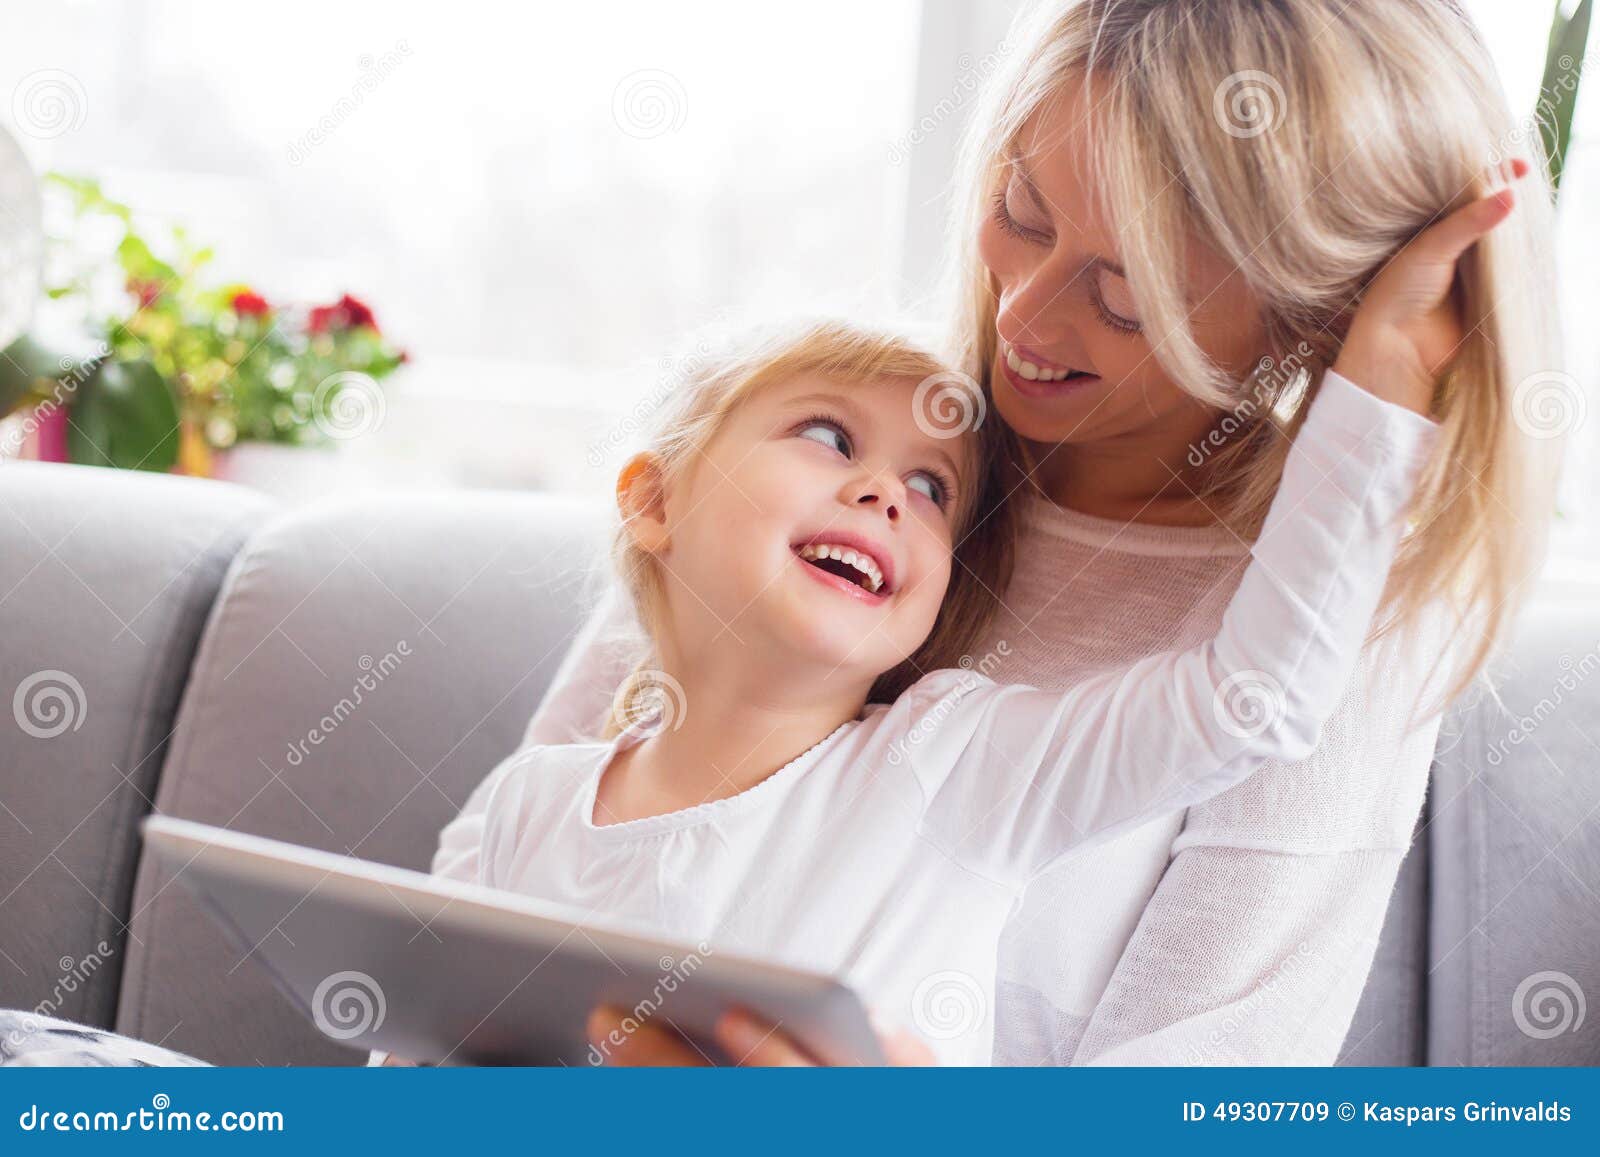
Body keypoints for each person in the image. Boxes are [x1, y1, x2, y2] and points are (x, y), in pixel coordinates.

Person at [495, 0, 1562, 1065]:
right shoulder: (810, 464)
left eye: (1127, 298)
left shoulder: (1340, 623)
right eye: (1024, 209)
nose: (1026, 321)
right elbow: (478, 950)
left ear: (1316, 319)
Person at [375, 308, 1433, 1067]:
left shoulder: (955, 768)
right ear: (653, 500)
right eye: (829, 436)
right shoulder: (519, 812)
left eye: (931, 488)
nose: (885, 491)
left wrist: (1376, 389)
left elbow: (1256, 698)